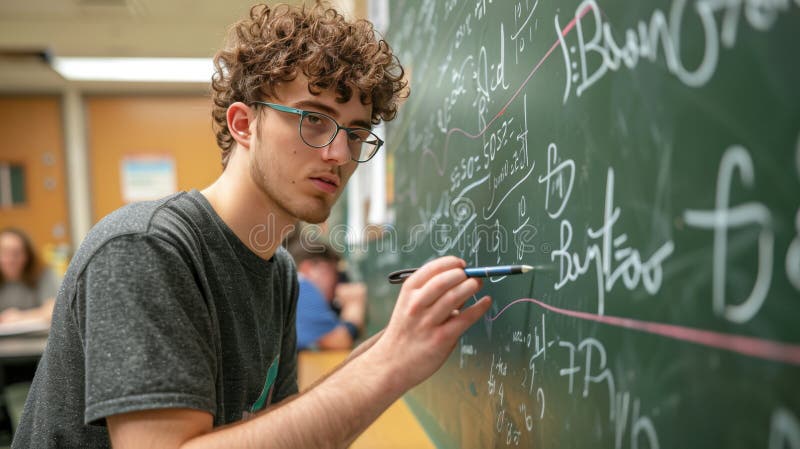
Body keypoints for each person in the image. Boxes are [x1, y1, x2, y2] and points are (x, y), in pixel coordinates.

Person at [13, 3, 492, 448]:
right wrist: (388, 366)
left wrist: (391, 347)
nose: (340, 155)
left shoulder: (279, 272)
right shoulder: (148, 248)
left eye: (356, 132)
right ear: (243, 124)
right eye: (315, 120)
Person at [286, 239, 365, 350]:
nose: (337, 282)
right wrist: (354, 307)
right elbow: (338, 341)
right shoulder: (302, 286)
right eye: (334, 272)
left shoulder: (288, 284)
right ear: (309, 268)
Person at [0, 228, 58, 325]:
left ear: (27, 255)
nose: (10, 260)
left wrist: (21, 317)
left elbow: (54, 310)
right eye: (3, 253)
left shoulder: (43, 274)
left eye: (16, 253)